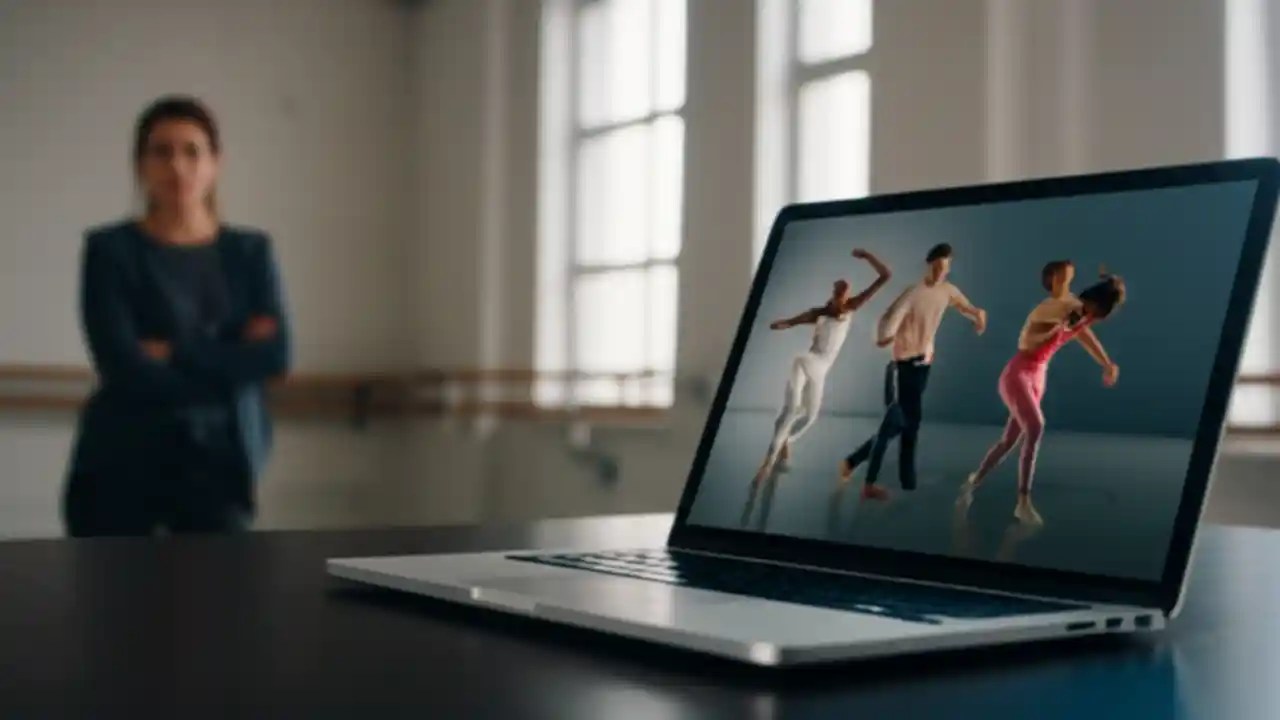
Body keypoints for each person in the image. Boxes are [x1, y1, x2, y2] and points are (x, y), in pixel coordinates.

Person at [62, 96, 292, 536]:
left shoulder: (249, 253)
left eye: (192, 151)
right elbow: (121, 364)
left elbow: (275, 356)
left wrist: (174, 350)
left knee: (220, 598)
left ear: (215, 162)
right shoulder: (110, 251)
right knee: (114, 599)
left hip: (221, 466)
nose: (178, 166)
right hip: (121, 461)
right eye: (161, 151)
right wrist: (228, 360)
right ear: (140, 164)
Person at [959, 262, 1125, 525]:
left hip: (1038, 375)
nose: (1091, 316)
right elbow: (1027, 341)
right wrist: (1057, 328)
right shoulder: (1055, 308)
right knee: (1035, 427)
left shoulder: (1081, 312)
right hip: (1018, 373)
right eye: (1095, 310)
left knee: (1010, 440)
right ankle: (1023, 502)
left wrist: (1106, 363)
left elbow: (1084, 335)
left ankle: (973, 481)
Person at [839, 243, 987, 500]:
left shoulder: (948, 291)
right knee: (893, 424)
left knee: (910, 426)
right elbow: (887, 321)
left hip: (922, 367)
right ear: (929, 265)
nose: (942, 272)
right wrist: (884, 338)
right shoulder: (913, 293)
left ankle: (903, 481)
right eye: (938, 267)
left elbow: (965, 307)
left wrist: (978, 316)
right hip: (901, 367)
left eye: (946, 267)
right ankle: (868, 483)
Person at [756, 249, 892, 477]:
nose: (841, 299)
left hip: (820, 371)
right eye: (838, 294)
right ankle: (769, 460)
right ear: (834, 296)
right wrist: (781, 324)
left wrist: (868, 257)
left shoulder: (851, 307)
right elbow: (792, 321)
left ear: (847, 296)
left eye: (845, 294)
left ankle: (784, 442)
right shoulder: (820, 312)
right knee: (792, 408)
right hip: (809, 362)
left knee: (810, 416)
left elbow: (885, 276)